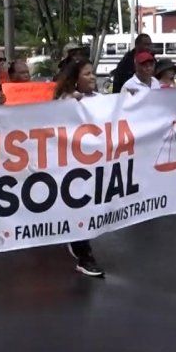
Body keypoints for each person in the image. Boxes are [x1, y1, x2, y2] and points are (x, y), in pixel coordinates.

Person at [51, 58, 105, 276]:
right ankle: (84, 254)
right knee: (78, 206)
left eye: (93, 73)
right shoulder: (65, 101)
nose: (92, 77)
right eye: (87, 74)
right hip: (72, 165)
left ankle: (79, 244)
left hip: (97, 163)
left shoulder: (102, 100)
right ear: (75, 80)